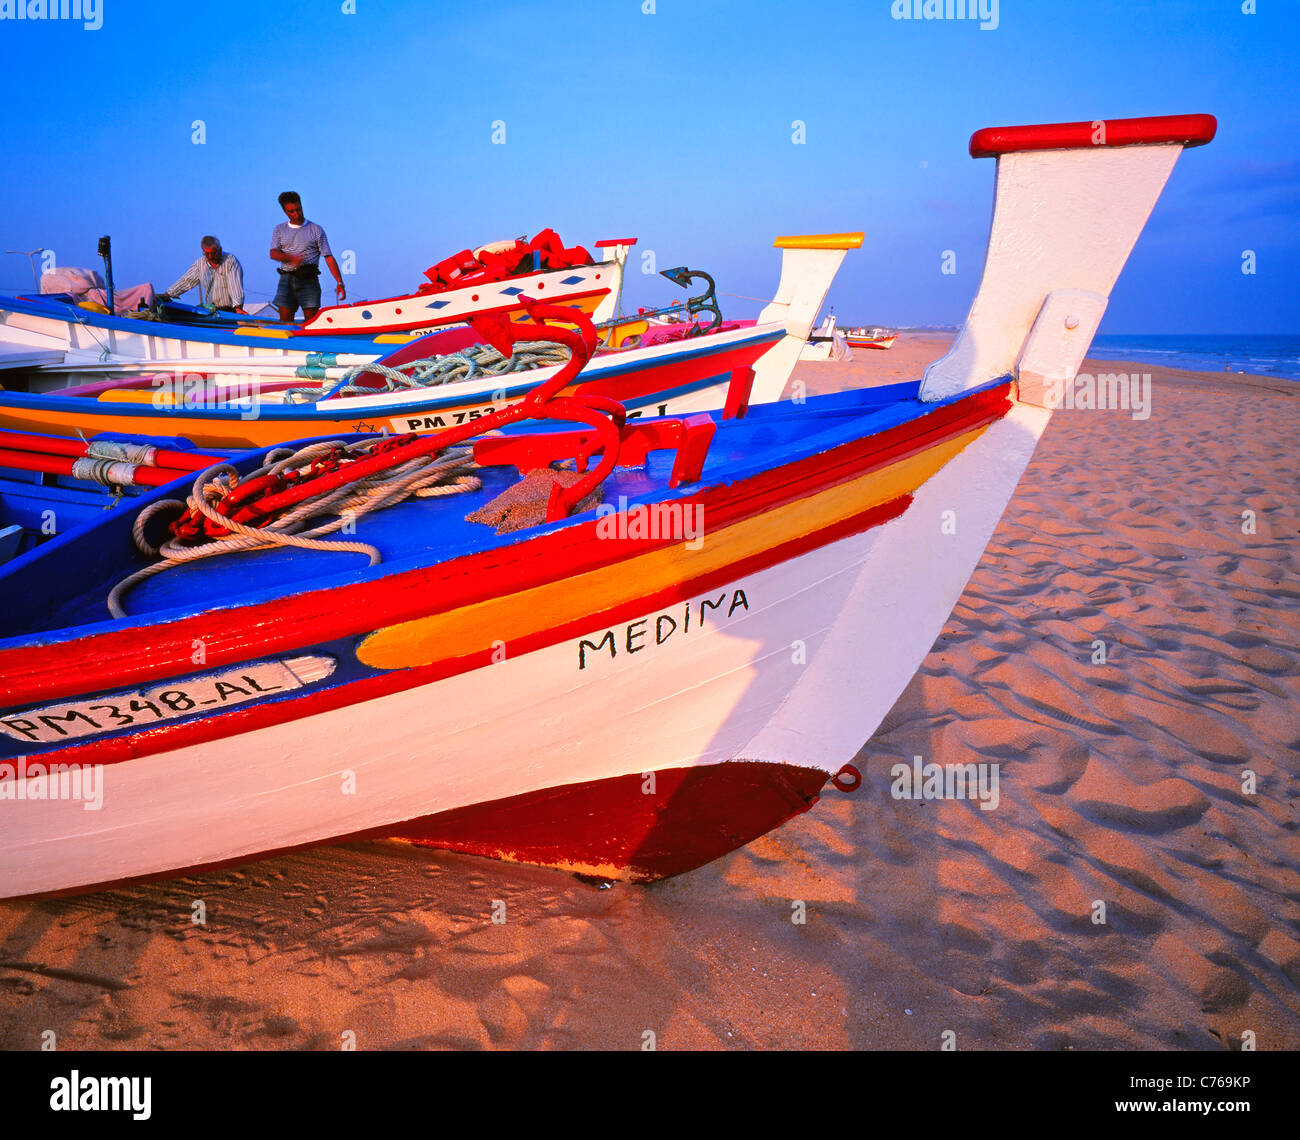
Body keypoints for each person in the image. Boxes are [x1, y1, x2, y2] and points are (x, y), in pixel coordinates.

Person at [270, 191, 346, 322]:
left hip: (309, 280)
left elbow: (328, 257)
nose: (296, 214)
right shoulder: (279, 229)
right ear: (285, 212)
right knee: (284, 322)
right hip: (287, 279)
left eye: (298, 209)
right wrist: (291, 258)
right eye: (291, 211)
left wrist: (339, 282)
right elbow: (273, 253)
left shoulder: (316, 230)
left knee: (311, 322)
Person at [157, 236, 246, 313]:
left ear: (220, 250)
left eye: (213, 253)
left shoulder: (230, 261)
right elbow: (186, 281)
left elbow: (235, 287)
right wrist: (167, 295)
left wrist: (238, 308)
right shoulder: (200, 264)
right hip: (212, 310)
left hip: (231, 309)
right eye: (207, 254)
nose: (210, 257)